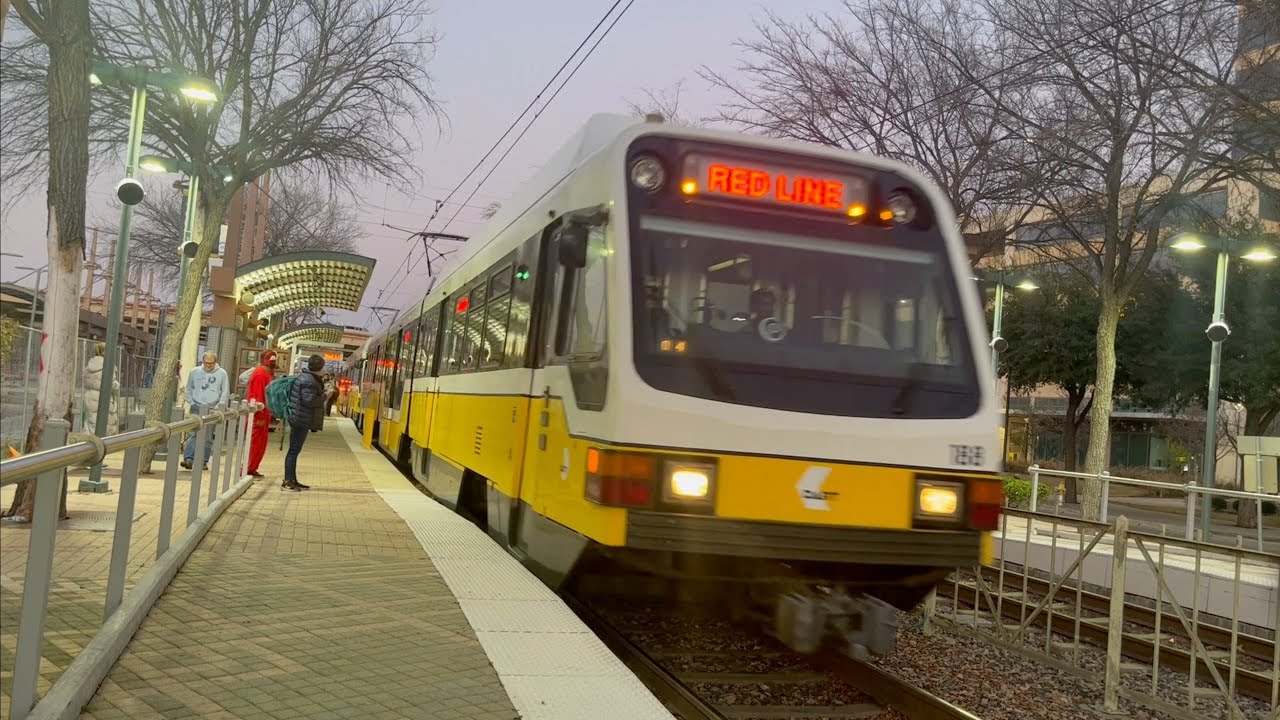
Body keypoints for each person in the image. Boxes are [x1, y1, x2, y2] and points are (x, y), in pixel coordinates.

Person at [282, 354, 326, 492]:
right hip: (300, 419)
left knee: (294, 450)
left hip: (298, 417)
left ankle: (292, 480)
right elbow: (309, 401)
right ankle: (288, 481)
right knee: (294, 450)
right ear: (320, 368)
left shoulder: (306, 378)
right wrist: (326, 396)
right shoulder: (309, 381)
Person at [181, 351, 229, 470]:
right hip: (196, 406)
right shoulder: (195, 371)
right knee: (193, 434)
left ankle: (203, 461)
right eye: (206, 362)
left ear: (215, 362)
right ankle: (189, 459)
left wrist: (219, 407)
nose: (208, 365)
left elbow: (225, 392)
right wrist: (191, 402)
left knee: (207, 436)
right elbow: (188, 389)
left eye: (211, 363)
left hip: (212, 408)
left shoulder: (222, 373)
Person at [244, 350, 278, 479]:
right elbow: (258, 397)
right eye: (273, 360)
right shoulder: (260, 374)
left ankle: (252, 468)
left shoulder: (265, 373)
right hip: (258, 416)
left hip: (262, 414)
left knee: (260, 445)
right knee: (255, 444)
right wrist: (260, 415)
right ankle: (248, 469)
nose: (274, 363)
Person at [83, 342, 119, 436]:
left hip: (90, 396)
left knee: (92, 421)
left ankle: (89, 440)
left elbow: (85, 381)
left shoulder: (89, 366)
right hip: (104, 397)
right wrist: (116, 385)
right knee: (106, 422)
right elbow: (110, 383)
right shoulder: (107, 366)